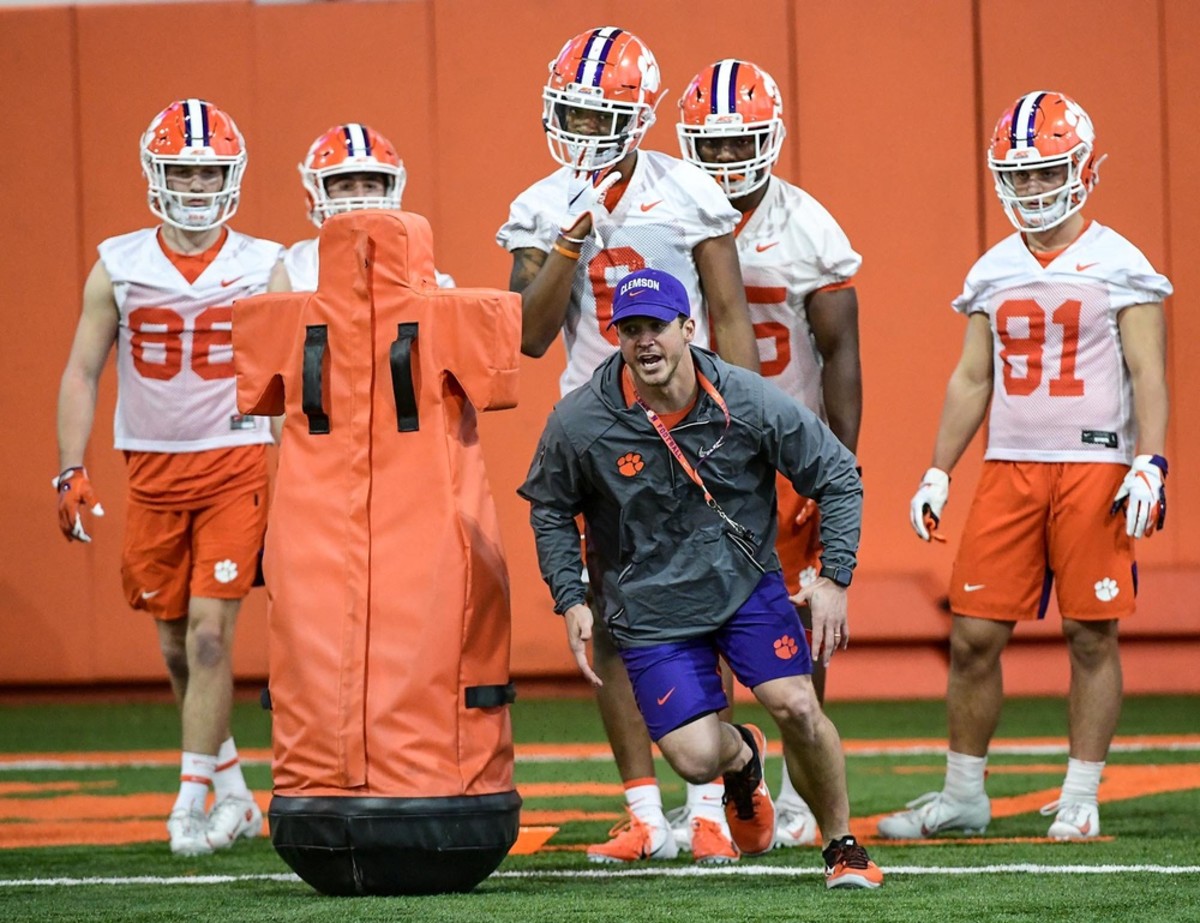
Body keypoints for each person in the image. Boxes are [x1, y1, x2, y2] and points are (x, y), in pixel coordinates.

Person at [519, 267, 883, 890]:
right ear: (618, 339)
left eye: (657, 326)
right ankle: (743, 758)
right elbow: (550, 506)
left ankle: (843, 847)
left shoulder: (747, 399)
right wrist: (569, 595)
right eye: (630, 330)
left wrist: (835, 577)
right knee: (692, 762)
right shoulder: (581, 421)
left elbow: (837, 474)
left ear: (688, 328)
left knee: (797, 704)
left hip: (744, 583)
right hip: (649, 606)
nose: (645, 342)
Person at [877, 91, 1171, 841]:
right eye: (1022, 175)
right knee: (973, 635)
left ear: (1081, 166)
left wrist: (1151, 463)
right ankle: (964, 794)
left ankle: (1079, 793)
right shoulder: (994, 267)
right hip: (1010, 466)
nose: (1034, 189)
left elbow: (1150, 374)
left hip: (1093, 467)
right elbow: (972, 376)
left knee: (1090, 633)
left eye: (1046, 172)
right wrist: (938, 469)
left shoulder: (1122, 262)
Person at [497, 26, 760, 864]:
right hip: (594, 427)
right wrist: (570, 239)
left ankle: (712, 806)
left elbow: (730, 319)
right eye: (568, 110)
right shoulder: (541, 203)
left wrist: (743, 425)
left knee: (701, 607)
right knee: (613, 618)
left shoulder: (688, 191)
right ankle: (645, 812)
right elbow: (529, 339)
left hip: (689, 422)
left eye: (596, 112)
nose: (578, 128)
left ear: (640, 115)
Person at [55, 98, 282, 856]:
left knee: (211, 638)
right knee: (178, 651)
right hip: (150, 471)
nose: (193, 182)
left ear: (232, 176)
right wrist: (69, 466)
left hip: (233, 462)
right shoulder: (120, 262)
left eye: (207, 169)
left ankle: (187, 802)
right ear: (156, 173)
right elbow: (83, 370)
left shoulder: (263, 262)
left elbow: (292, 372)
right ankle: (236, 794)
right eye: (182, 168)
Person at [676, 57, 863, 851]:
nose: (723, 163)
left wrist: (837, 464)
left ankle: (793, 791)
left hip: (782, 451)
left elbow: (841, 357)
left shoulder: (810, 227)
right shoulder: (667, 212)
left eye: (739, 144)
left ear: (772, 137)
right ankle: (711, 800)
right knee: (688, 615)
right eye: (709, 148)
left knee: (795, 623)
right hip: (686, 450)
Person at [269, 122, 456, 294]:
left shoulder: (422, 273)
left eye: (370, 186)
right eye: (345, 187)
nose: (360, 198)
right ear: (316, 193)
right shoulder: (292, 268)